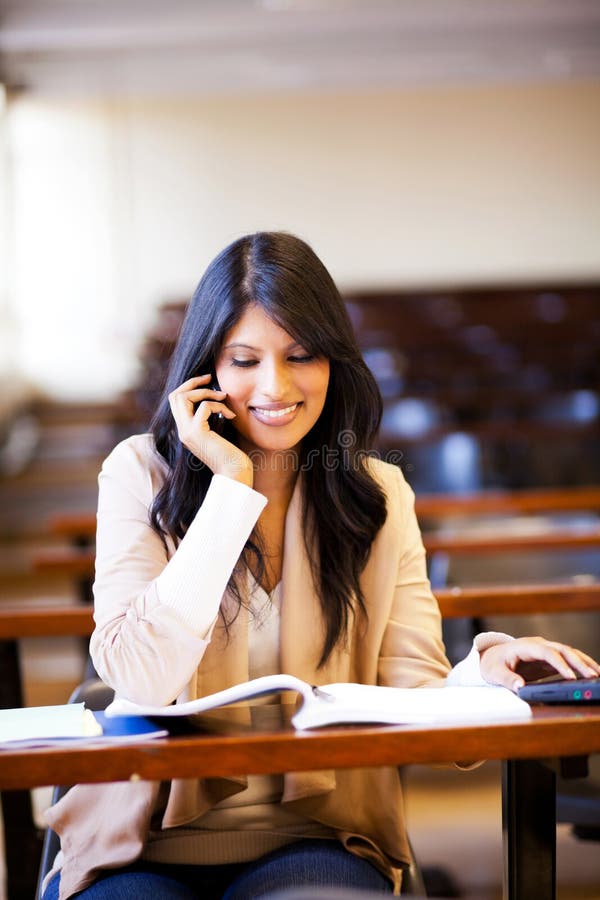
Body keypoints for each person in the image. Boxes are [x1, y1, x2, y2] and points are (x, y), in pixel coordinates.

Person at [42, 232, 600, 900]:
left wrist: (482, 676)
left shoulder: (376, 495)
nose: (274, 386)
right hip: (138, 845)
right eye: (244, 360)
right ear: (206, 372)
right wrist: (231, 489)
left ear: (333, 360)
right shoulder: (139, 472)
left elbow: (418, 699)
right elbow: (142, 676)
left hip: (313, 836)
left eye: (300, 355)